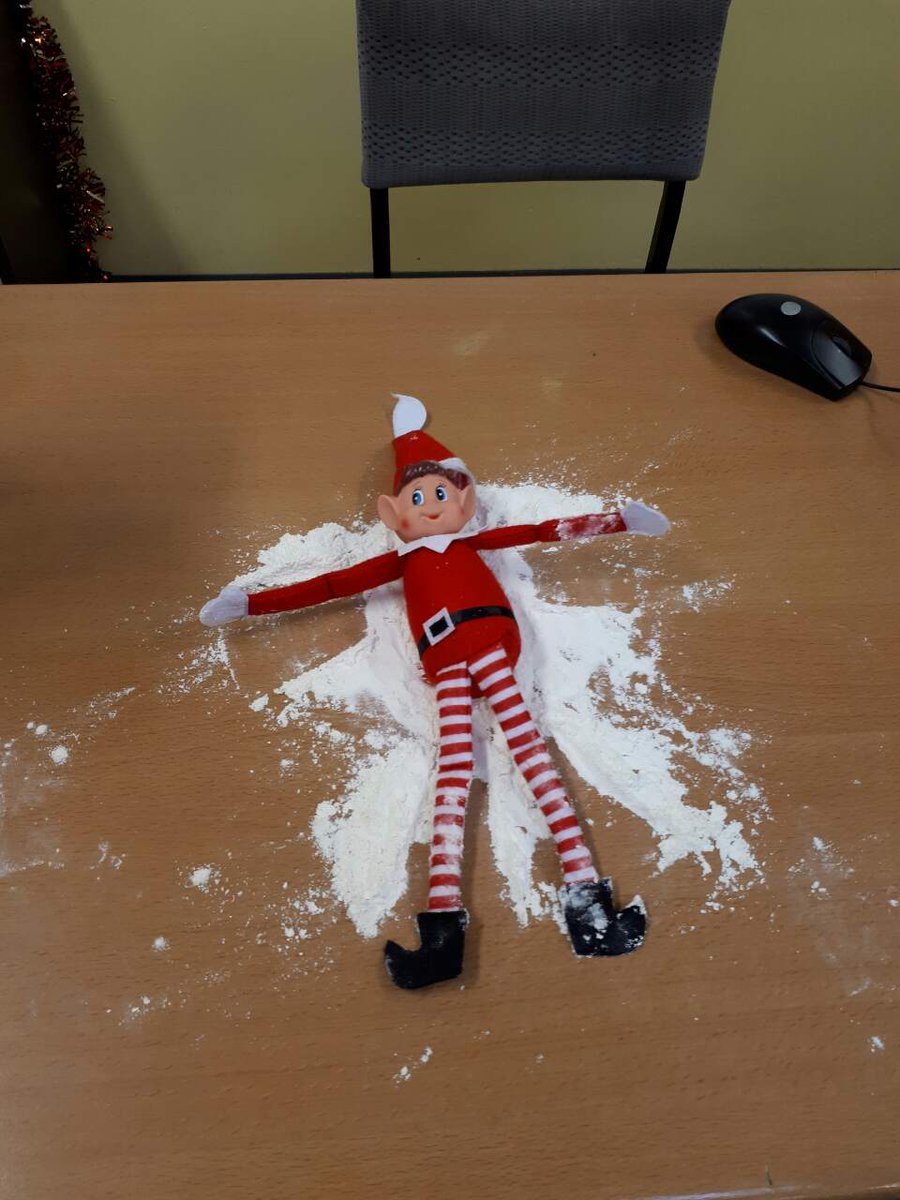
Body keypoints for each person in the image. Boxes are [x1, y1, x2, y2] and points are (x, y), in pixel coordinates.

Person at [200, 396, 670, 989]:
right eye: (417, 499)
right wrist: (251, 605)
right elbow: (328, 584)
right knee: (452, 774)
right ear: (395, 515)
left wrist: (620, 521)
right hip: (446, 664)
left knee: (533, 759)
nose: (430, 506)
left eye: (440, 494)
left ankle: (590, 910)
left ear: (464, 503)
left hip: (492, 651)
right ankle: (441, 936)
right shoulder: (397, 565)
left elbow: (545, 531)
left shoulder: (476, 543)